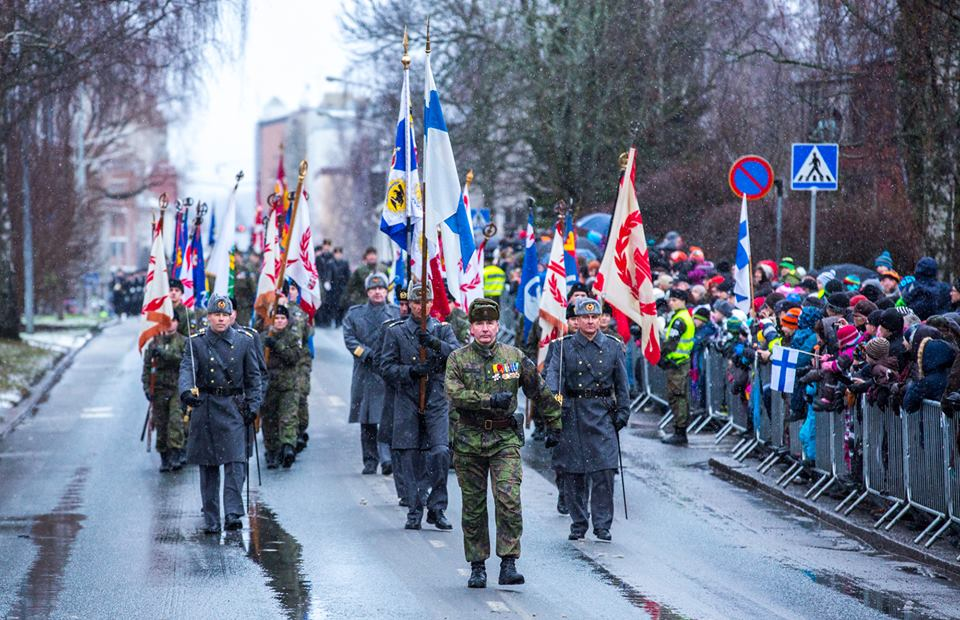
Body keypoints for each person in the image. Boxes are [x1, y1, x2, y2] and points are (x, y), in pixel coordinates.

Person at [445, 298, 562, 588]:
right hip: (469, 440)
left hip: (504, 439)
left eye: (490, 323)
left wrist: (555, 423)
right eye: (479, 324)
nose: (485, 329)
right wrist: (487, 400)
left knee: (508, 500)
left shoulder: (514, 357)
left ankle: (509, 562)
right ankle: (477, 565)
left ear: (498, 326)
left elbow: (539, 389)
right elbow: (454, 394)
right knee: (473, 506)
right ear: (470, 328)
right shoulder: (457, 359)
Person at [546, 297, 630, 542]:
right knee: (574, 473)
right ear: (577, 320)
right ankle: (579, 522)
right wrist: (553, 412)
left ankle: (602, 524)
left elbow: (622, 385)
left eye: (595, 317)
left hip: (602, 414)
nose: (591, 321)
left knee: (604, 471)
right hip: (572, 413)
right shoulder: (562, 346)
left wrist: (623, 413)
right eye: (585, 317)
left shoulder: (613, 347)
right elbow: (554, 380)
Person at [380, 281, 460, 530]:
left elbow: (458, 357)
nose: (421, 307)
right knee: (409, 457)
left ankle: (437, 507)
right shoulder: (396, 332)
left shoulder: (442, 330)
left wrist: (435, 344)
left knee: (440, 452)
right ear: (409, 304)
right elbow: (386, 367)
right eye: (416, 302)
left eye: (425, 302)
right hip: (407, 399)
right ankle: (414, 510)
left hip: (436, 399)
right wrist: (411, 371)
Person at [179, 295, 263, 533]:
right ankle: (212, 517)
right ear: (208, 317)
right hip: (205, 407)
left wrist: (254, 406)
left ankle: (233, 513)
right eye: (216, 314)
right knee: (208, 467)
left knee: (236, 462)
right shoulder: (195, 343)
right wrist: (186, 391)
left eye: (225, 315)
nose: (220, 319)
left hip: (234, 407)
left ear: (231, 316)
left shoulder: (245, 341)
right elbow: (187, 369)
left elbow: (254, 378)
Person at [342, 273, 400, 474]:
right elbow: (349, 339)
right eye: (373, 289)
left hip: (387, 373)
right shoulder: (355, 314)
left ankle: (387, 459)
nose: (378, 292)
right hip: (365, 372)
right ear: (367, 292)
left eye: (381, 289)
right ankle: (369, 460)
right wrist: (366, 353)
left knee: (387, 418)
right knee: (366, 420)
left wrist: (387, 356)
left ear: (386, 291)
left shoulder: (396, 313)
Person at [141, 316, 187, 472]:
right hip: (159, 389)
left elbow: (183, 361)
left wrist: (164, 353)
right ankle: (164, 457)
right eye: (166, 321)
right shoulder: (154, 343)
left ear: (177, 322)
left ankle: (176, 453)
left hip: (177, 389)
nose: (170, 324)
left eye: (173, 320)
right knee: (161, 424)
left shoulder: (183, 341)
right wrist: (147, 389)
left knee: (175, 421)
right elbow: (147, 369)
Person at [260, 304, 302, 469]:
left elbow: (293, 357)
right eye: (276, 318)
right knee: (269, 420)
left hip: (287, 385)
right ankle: (271, 451)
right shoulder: (263, 337)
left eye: (282, 318)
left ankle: (287, 447)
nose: (279, 321)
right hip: (268, 385)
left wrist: (277, 345)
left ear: (287, 320)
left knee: (288, 418)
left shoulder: (292, 337)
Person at [660, 288, 695, 446]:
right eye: (671, 300)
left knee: (678, 396)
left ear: (683, 301)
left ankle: (680, 432)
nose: (671, 303)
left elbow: (671, 342)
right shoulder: (679, 317)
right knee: (677, 396)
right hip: (678, 363)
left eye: (675, 300)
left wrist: (662, 357)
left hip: (678, 363)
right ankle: (679, 430)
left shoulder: (681, 319)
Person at [284, 281, 314, 453]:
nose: (290, 293)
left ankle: (299, 430)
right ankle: (287, 438)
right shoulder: (273, 311)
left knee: (300, 396)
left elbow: (306, 336)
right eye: (288, 290)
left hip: (300, 361)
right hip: (279, 365)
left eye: (294, 289)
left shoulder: (302, 313)